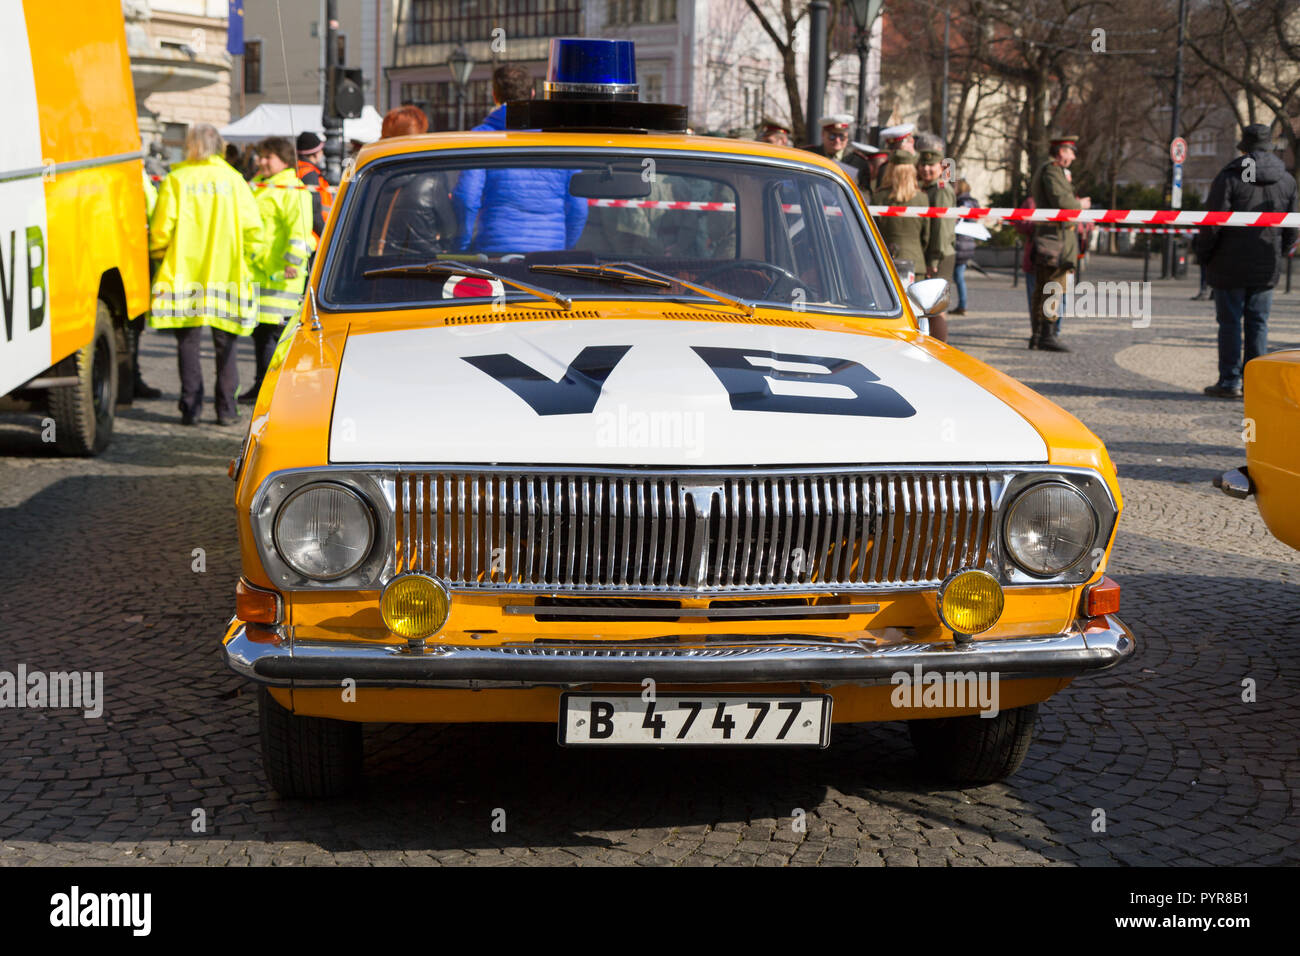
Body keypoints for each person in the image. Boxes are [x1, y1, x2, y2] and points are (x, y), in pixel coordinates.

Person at [148, 123, 263, 425]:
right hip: (228, 277)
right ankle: (226, 409)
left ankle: (191, 408)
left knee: (188, 344)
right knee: (227, 348)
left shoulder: (176, 179)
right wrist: (247, 261)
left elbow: (161, 230)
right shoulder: (234, 180)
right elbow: (254, 229)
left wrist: (160, 255)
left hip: (185, 276)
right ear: (220, 146)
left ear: (190, 145)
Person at [1194, 123, 1299, 398]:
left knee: (1230, 323)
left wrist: (1204, 255)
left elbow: (1212, 224)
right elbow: (1292, 229)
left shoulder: (1230, 175)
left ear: (1244, 146)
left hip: (1228, 264)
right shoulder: (1287, 180)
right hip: (1266, 263)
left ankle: (1230, 382)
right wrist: (1280, 253)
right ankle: (1256, 383)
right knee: (1259, 323)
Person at [452, 66, 588, 253]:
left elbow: (467, 198)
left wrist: (462, 246)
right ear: (532, 94)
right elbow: (579, 208)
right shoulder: (559, 140)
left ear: (494, 96)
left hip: (496, 250)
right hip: (548, 254)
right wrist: (563, 246)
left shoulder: (480, 137)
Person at [241, 136, 314, 404]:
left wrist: (292, 263)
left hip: (281, 277)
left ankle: (271, 391)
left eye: (267, 157)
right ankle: (263, 386)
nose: (261, 161)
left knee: (273, 338)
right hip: (260, 273)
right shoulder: (262, 186)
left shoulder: (290, 189)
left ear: (283, 160)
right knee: (261, 336)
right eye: (260, 156)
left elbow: (299, 232)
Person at [1028, 133, 1090, 352]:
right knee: (1053, 287)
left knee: (1044, 288)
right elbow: (1064, 203)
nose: (1073, 157)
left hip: (1052, 238)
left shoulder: (1050, 170)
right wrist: (1080, 203)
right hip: (1056, 239)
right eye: (1071, 151)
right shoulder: (1052, 171)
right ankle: (1046, 335)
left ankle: (1038, 335)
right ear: (1062, 151)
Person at [370, 105, 456, 256]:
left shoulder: (370, 177)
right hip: (423, 267)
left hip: (376, 267)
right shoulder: (432, 179)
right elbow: (450, 229)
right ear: (418, 137)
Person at [869, 150, 929, 287]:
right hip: (916, 261)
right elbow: (926, 236)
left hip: (885, 261)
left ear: (890, 171)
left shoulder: (879, 197)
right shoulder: (922, 198)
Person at [918, 147, 955, 342]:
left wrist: (933, 259)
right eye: (923, 165)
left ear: (941, 167)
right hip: (932, 253)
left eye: (931, 165)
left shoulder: (940, 190)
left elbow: (941, 228)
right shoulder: (927, 188)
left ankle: (941, 349)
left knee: (935, 308)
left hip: (939, 255)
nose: (926, 169)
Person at [295, 131, 334, 243]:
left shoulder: (298, 169)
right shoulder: (309, 174)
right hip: (314, 238)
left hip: (306, 235)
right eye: (321, 150)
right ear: (315, 153)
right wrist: (326, 237)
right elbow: (314, 211)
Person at [951, 179, 978, 315]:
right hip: (969, 242)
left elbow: (959, 215)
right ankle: (962, 304)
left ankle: (962, 304)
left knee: (958, 277)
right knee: (959, 276)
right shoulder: (974, 201)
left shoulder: (961, 202)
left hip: (960, 243)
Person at [870, 123, 916, 192]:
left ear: (911, 141)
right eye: (892, 149)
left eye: (898, 148)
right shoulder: (886, 167)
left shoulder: (922, 164)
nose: (895, 152)